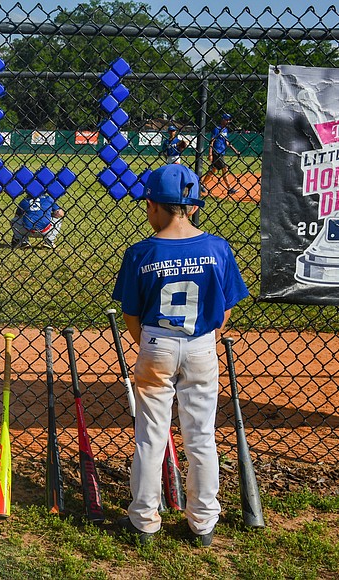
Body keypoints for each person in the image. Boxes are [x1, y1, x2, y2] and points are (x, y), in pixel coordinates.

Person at [112, 164, 248, 547]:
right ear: (192, 206)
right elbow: (224, 311)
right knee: (201, 435)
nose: (148, 212)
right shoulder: (217, 247)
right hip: (203, 344)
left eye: (148, 206)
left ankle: (144, 521)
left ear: (155, 205)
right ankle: (203, 522)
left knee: (151, 435)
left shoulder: (141, 251)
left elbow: (132, 316)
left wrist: (153, 345)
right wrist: (202, 340)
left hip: (157, 343)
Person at [200, 113, 241, 194]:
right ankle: (229, 188)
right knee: (224, 168)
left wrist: (235, 151)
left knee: (213, 170)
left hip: (222, 152)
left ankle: (202, 184)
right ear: (223, 120)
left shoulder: (225, 130)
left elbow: (227, 143)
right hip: (216, 152)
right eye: (227, 120)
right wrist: (210, 154)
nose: (228, 121)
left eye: (229, 120)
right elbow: (212, 142)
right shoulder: (216, 129)